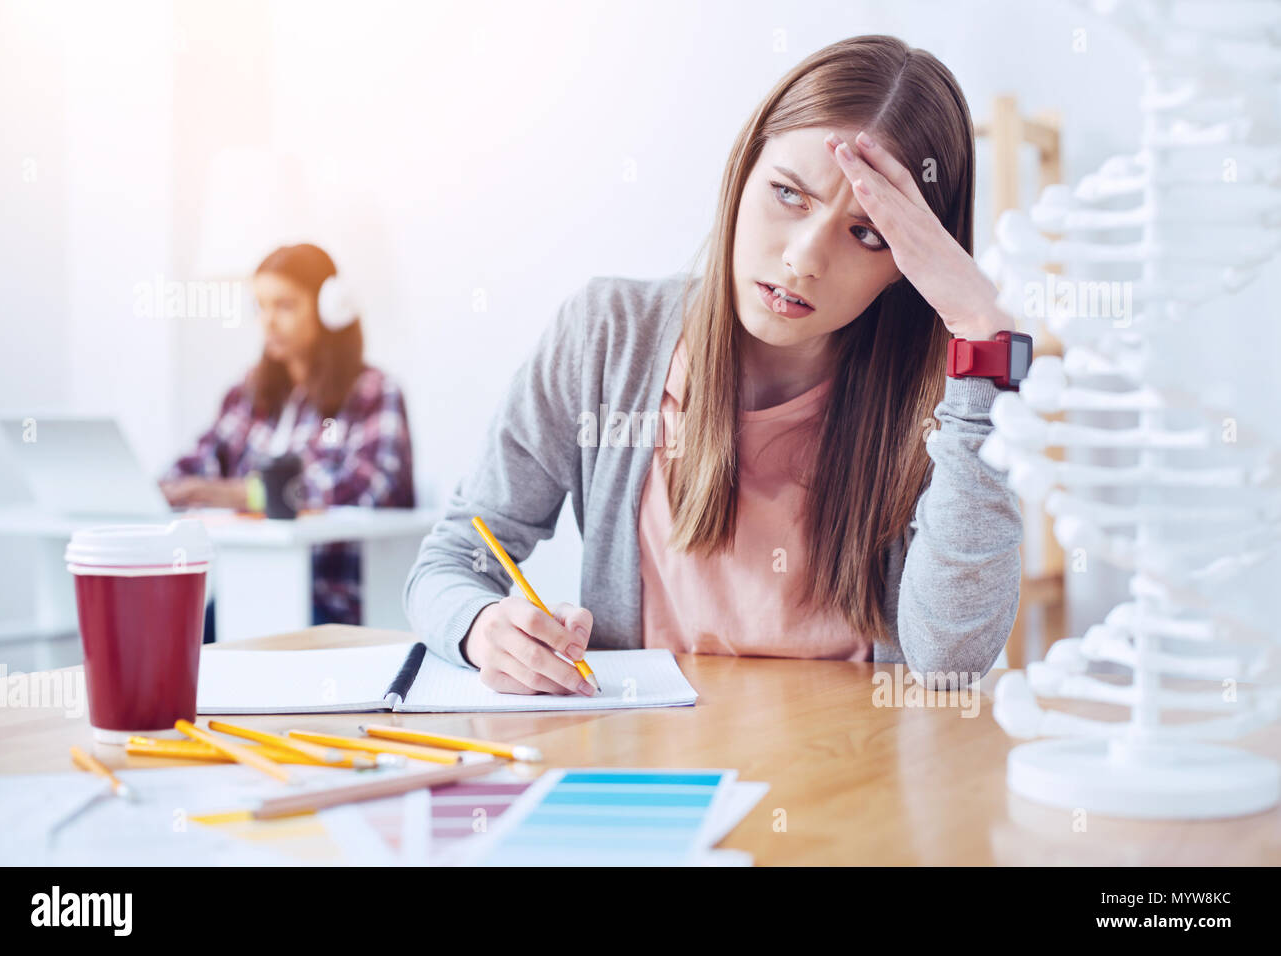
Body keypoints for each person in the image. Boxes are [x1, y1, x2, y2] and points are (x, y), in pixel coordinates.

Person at [406, 35, 1022, 694]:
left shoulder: (954, 397)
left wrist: (984, 339)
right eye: (788, 194)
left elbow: (952, 659)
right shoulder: (607, 336)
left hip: (856, 781)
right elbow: (452, 561)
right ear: (745, 169)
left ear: (911, 262)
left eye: (869, 233)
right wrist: (480, 627)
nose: (803, 259)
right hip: (652, 779)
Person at [161, 243, 415, 639]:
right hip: (250, 589)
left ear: (331, 307)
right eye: (260, 306)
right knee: (173, 634)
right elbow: (199, 465)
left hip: (332, 602)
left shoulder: (373, 392)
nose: (268, 322)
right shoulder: (248, 394)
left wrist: (245, 495)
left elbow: (373, 489)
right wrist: (164, 488)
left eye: (285, 306)